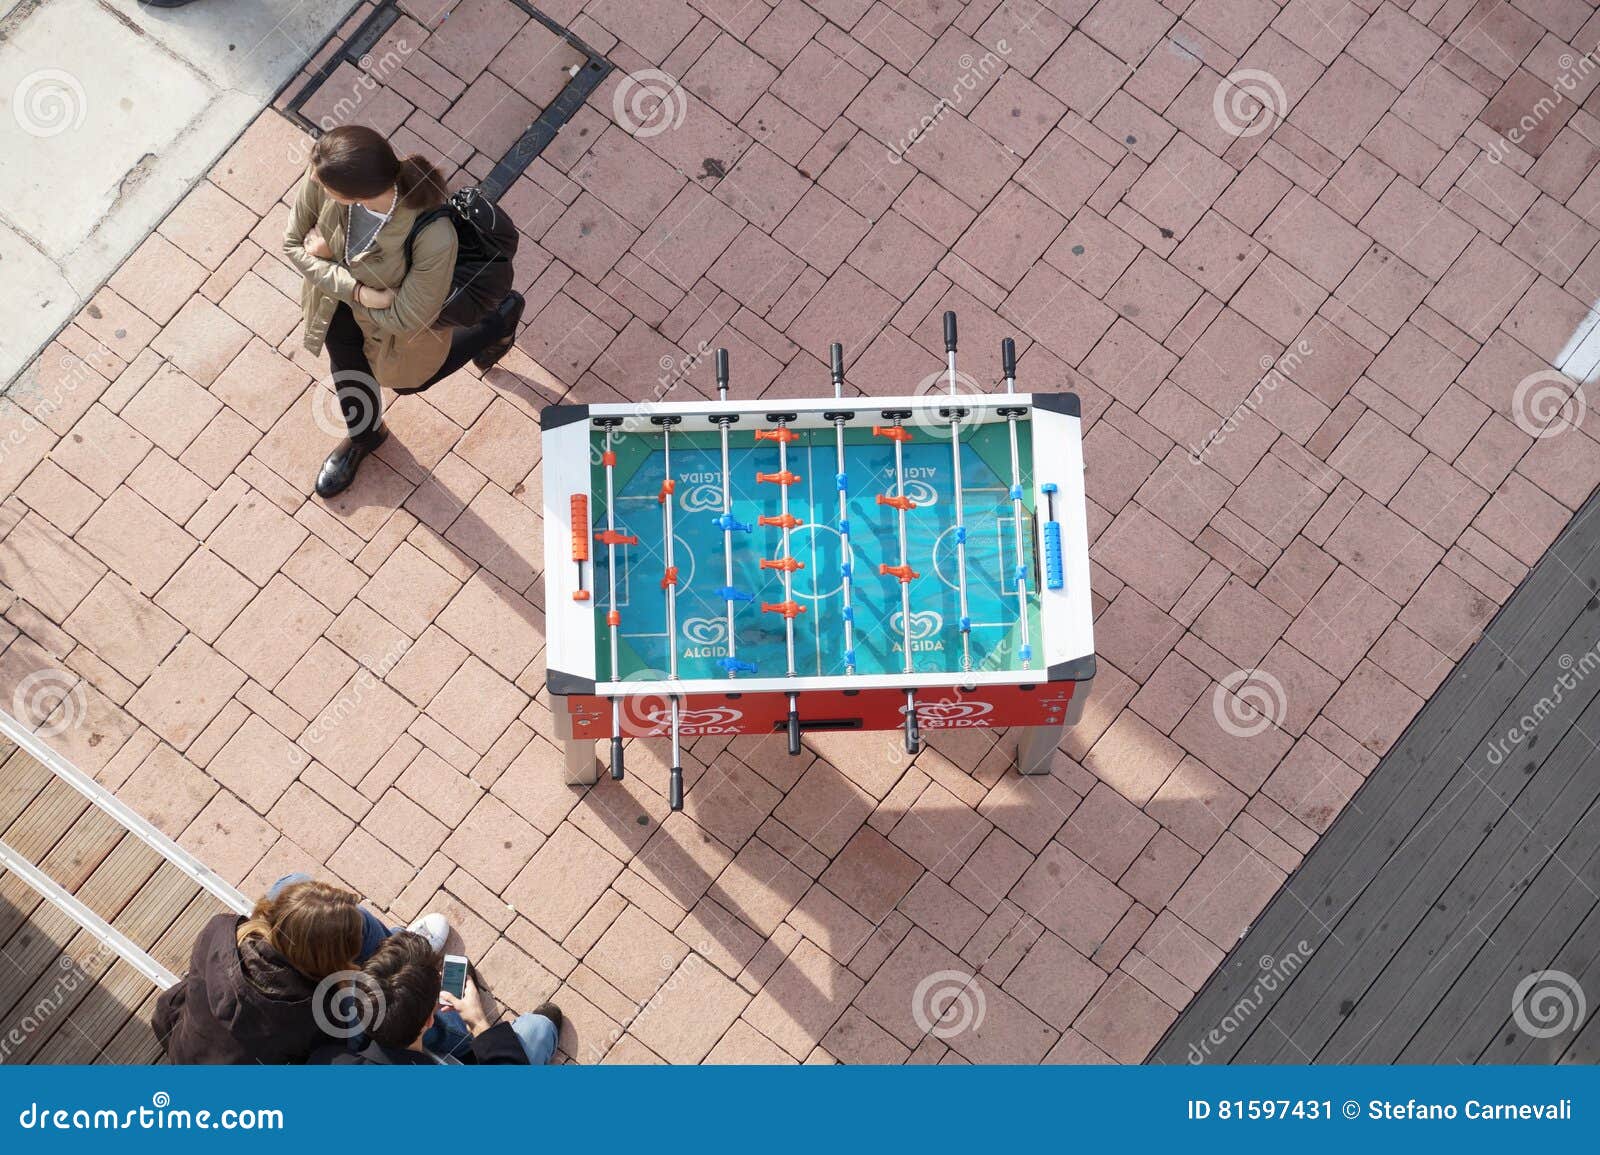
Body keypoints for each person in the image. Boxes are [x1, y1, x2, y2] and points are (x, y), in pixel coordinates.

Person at [283, 125, 525, 499]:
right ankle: (365, 436)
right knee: (346, 361)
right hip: (341, 303)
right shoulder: (328, 168)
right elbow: (293, 244)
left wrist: (331, 263)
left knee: (409, 383)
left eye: (325, 187)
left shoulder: (433, 235)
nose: (312, 181)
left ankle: (500, 317)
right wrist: (360, 291)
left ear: (355, 195)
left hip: (396, 326)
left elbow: (405, 320)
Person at [153, 879, 362, 1064]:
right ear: (328, 957)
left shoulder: (220, 929)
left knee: (296, 879)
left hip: (183, 1048)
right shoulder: (321, 1012)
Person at [311, 931, 563, 1065]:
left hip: (389, 1047)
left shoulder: (326, 1062)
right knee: (537, 1029)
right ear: (429, 1021)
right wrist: (478, 1024)